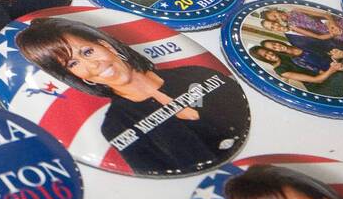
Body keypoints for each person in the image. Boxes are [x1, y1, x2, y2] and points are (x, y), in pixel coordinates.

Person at [16, 15, 248, 172]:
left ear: (106, 46)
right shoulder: (116, 126)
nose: (92, 65)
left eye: (88, 51)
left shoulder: (198, 74)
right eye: (74, 64)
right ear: (74, 76)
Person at [249, 40, 343, 97]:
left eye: (268, 51)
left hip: (329, 72)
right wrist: (332, 69)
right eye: (266, 56)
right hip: (324, 86)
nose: (270, 54)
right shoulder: (280, 70)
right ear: (264, 59)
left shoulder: (285, 54)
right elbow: (317, 80)